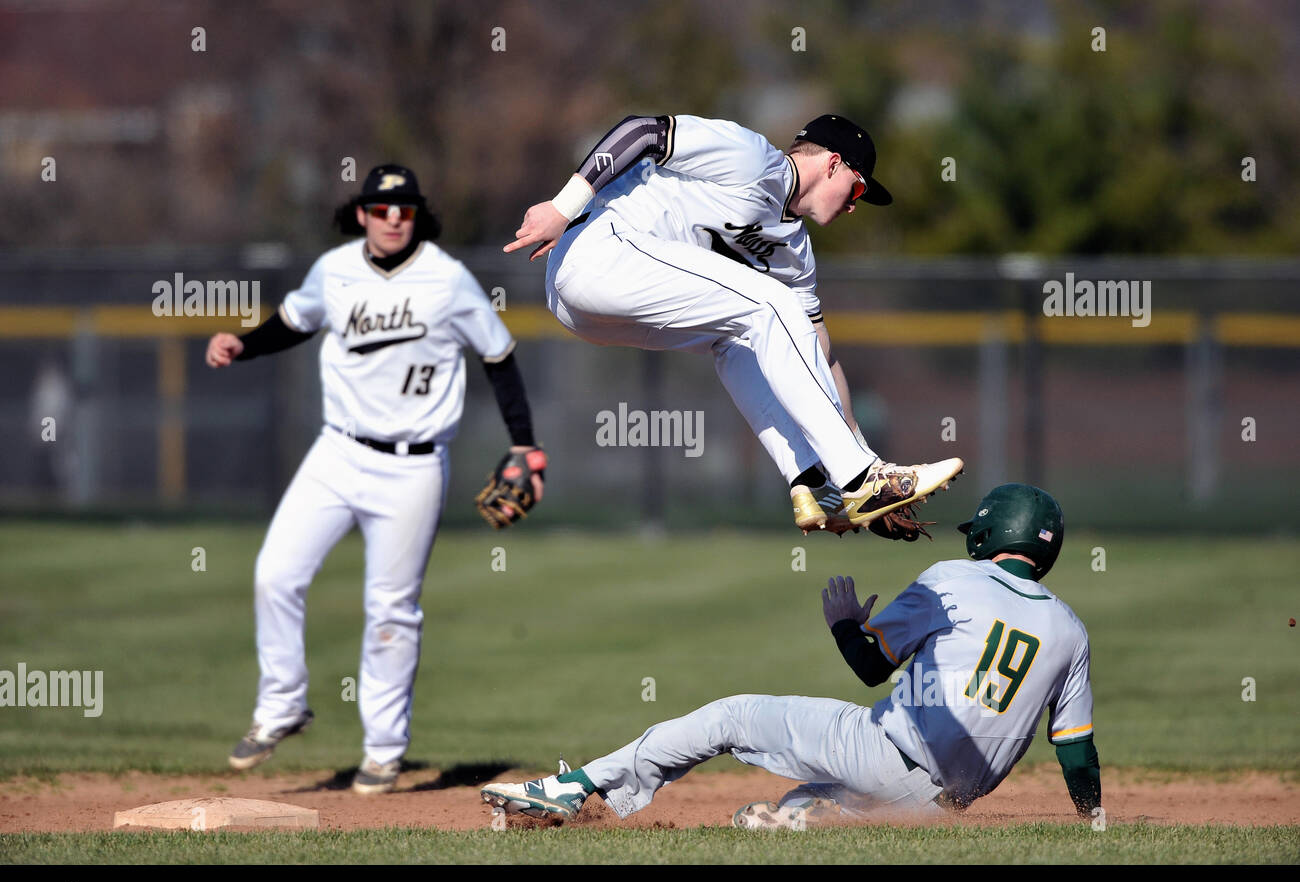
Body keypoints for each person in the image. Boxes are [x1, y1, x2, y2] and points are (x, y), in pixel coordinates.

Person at [207, 164, 545, 794]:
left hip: (414, 466)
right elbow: (294, 321)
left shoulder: (447, 279)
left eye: (405, 209)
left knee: (391, 611)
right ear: (361, 213)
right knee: (275, 573)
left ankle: (384, 753)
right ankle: (281, 706)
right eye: (381, 208)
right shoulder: (333, 271)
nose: (393, 218)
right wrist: (242, 345)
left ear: (418, 216)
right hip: (336, 453)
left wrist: (524, 443)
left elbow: (498, 354)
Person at [482, 484, 1101, 828]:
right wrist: (1091, 820)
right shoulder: (1070, 630)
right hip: (941, 803)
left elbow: (869, 668)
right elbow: (1075, 747)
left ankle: (577, 785)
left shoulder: (952, 578)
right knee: (809, 799)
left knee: (731, 716)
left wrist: (843, 626)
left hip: (883, 750)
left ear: (992, 533)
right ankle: (796, 826)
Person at [504, 112, 962, 540]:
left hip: (593, 308)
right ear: (833, 163)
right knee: (769, 306)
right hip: (596, 247)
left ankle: (817, 481)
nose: (853, 207)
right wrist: (564, 206)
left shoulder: (794, 253)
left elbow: (819, 354)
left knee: (739, 338)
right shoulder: (752, 157)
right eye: (858, 190)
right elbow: (642, 131)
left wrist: (861, 451)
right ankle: (861, 478)